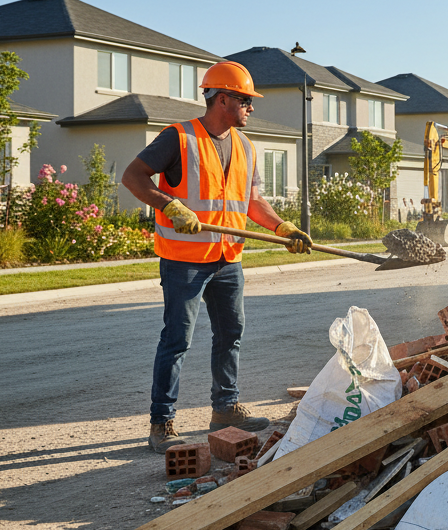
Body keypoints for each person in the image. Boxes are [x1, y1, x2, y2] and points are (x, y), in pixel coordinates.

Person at [121, 61, 312, 452]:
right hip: (185, 260)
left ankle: (225, 408)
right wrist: (170, 205)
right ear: (221, 98)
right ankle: (162, 423)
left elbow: (252, 201)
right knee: (176, 340)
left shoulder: (245, 146)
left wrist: (282, 228)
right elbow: (133, 176)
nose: (251, 107)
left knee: (231, 334)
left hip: (228, 259)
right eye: (245, 99)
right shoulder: (179, 138)